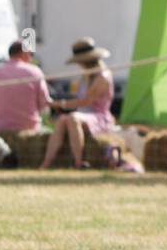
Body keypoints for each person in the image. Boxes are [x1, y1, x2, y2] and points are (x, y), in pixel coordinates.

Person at [40, 38, 116, 169]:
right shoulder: (86, 75)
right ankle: (46, 163)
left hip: (99, 116)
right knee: (62, 120)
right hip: (84, 115)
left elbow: (86, 101)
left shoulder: (102, 76)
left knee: (72, 118)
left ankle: (78, 162)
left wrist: (59, 104)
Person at [0, 39, 52, 134]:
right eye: (30, 54)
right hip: (29, 127)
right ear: (25, 52)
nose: (31, 58)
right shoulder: (35, 72)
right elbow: (44, 102)